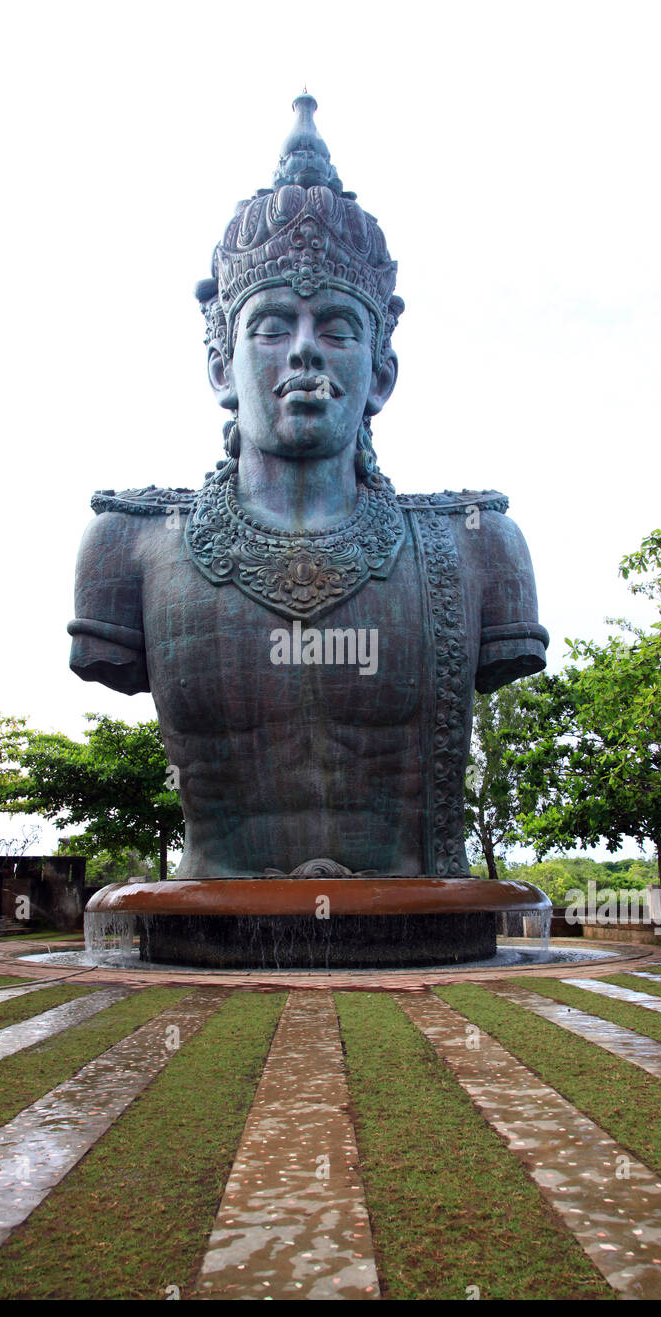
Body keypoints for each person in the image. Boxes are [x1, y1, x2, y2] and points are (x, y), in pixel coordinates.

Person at [68, 95, 548, 880]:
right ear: (223, 369)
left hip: (421, 922)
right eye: (270, 327)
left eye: (335, 328)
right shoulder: (129, 544)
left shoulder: (477, 545)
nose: (303, 355)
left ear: (381, 375)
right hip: (209, 925)